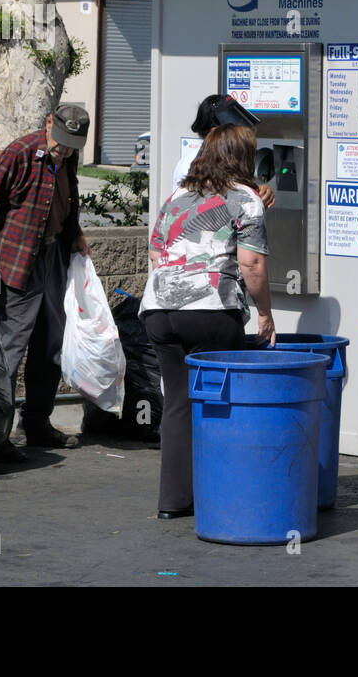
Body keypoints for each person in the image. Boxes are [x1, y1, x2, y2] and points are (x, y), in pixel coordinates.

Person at [140, 124, 276, 520]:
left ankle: (173, 501)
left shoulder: (178, 196)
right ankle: (223, 492)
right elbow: (251, 263)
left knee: (179, 403)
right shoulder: (246, 199)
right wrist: (264, 314)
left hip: (159, 312)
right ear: (243, 158)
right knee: (220, 403)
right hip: (211, 313)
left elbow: (155, 253)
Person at [0, 104, 91, 450]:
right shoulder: (19, 154)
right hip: (15, 262)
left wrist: (75, 232)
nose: (63, 150)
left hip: (54, 256)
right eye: (60, 141)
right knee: (9, 348)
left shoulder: (68, 156)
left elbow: (70, 196)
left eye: (71, 145)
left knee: (51, 344)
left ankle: (36, 423)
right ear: (48, 122)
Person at [170, 94, 263, 195]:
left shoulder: (233, 158)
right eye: (235, 132)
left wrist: (260, 191)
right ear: (215, 132)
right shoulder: (191, 165)